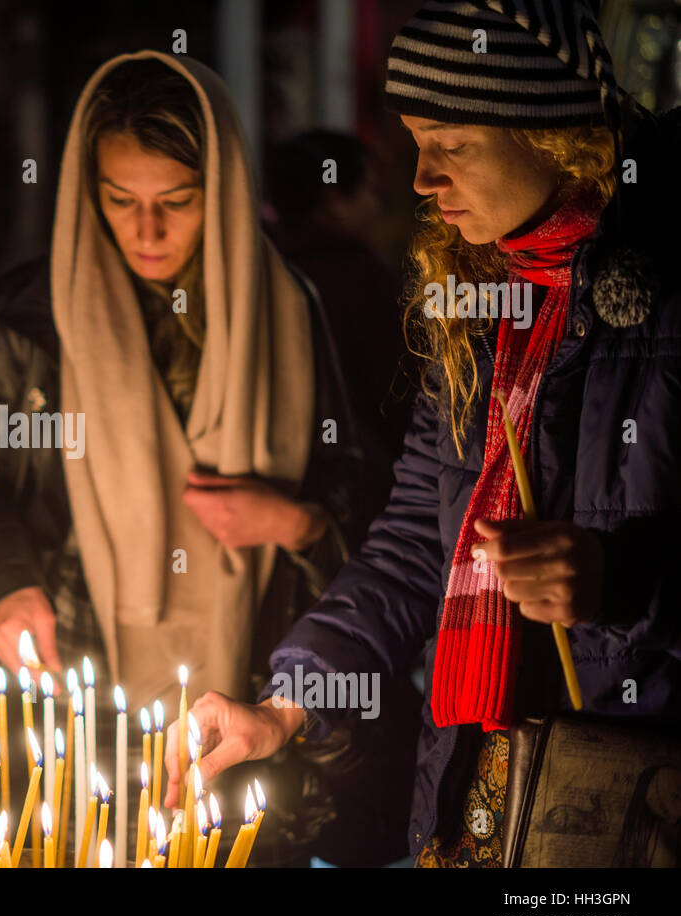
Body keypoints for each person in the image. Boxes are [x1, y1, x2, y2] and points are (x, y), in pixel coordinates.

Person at [169, 0, 681, 867]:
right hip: (476, 789)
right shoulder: (479, 304)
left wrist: (617, 576)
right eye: (416, 142)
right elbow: (416, 546)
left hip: (627, 807)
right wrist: (289, 703)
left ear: (551, 136)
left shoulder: (664, 297)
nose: (421, 179)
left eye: (454, 144)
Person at [0, 52, 410, 863]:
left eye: (177, 202)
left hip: (240, 695)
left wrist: (294, 520)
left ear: (221, 195)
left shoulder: (287, 310)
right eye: (119, 201)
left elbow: (365, 490)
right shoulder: (23, 319)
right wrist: (7, 579)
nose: (145, 231)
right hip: (75, 688)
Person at [266, 130, 412, 490]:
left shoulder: (262, 270)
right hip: (364, 483)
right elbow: (396, 395)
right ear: (333, 199)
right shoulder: (362, 279)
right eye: (371, 191)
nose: (378, 205)